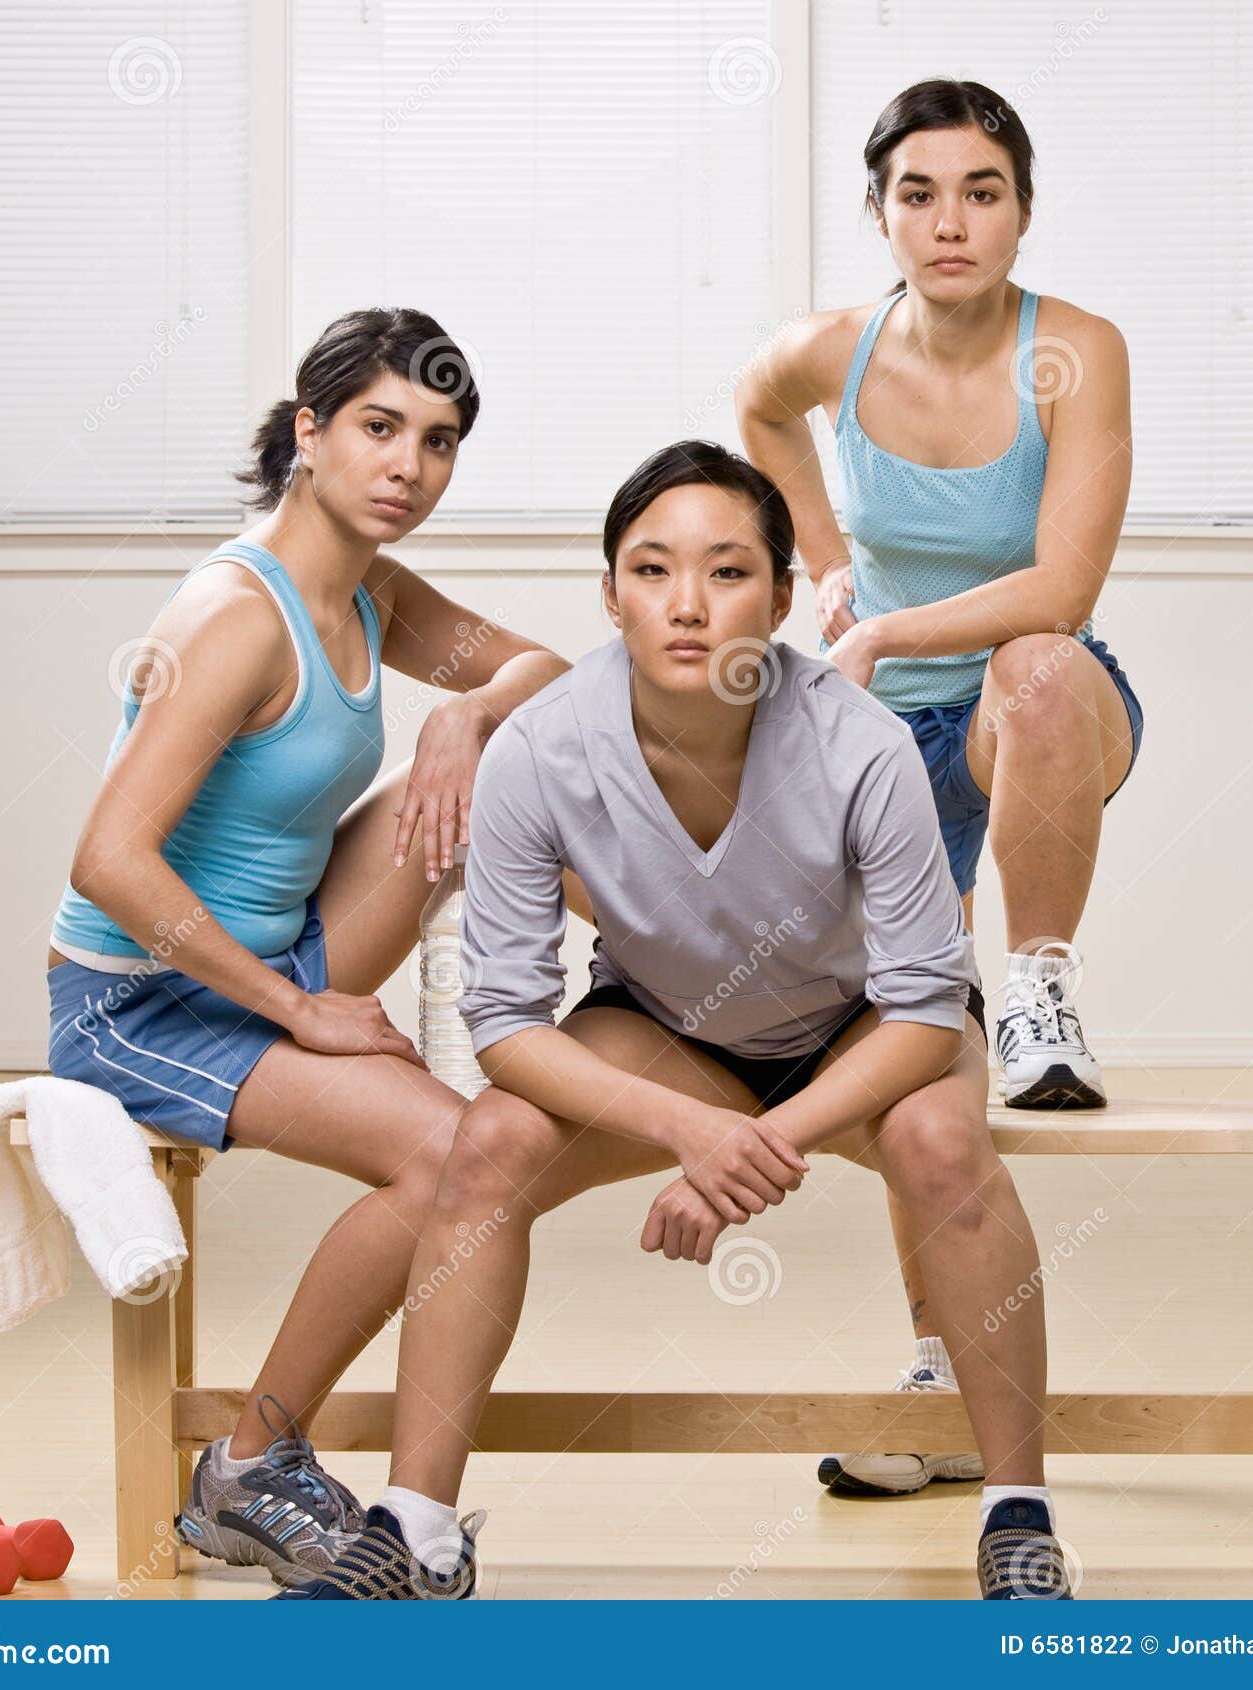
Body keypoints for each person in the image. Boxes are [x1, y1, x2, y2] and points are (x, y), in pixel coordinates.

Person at [274, 441, 1072, 1602]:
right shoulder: (541, 747)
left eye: (727, 571)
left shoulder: (861, 742)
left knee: (940, 1142)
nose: (687, 604)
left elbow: (916, 1005)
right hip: (672, 1028)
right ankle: (418, 1531)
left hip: (864, 1027)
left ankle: (1017, 1512)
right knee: (488, 1141)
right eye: (651, 570)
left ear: (783, 596)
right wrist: (691, 1129)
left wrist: (759, 1141)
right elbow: (506, 1024)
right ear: (610, 594)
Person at [45, 306, 567, 1587]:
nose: (408, 467)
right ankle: (248, 1463)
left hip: (281, 953)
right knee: (456, 1157)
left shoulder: (370, 589)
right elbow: (106, 860)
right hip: (140, 1001)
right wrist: (298, 1010)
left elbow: (547, 670)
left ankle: (655, 998)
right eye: (380, 428)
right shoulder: (234, 616)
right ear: (309, 431)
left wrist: (462, 718)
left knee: (503, 759)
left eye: (437, 442)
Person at [735, 78, 1144, 1503]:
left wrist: (879, 629)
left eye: (982, 191)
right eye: (920, 193)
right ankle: (941, 1380)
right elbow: (760, 409)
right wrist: (820, 559)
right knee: (919, 1057)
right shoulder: (828, 353)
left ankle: (1041, 985)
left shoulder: (1075, 351)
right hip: (883, 731)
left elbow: (1064, 590)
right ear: (879, 212)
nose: (951, 220)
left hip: (1036, 711)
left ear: (1022, 210)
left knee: (1035, 668)